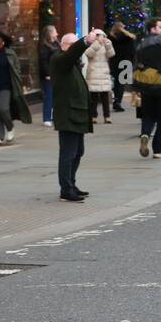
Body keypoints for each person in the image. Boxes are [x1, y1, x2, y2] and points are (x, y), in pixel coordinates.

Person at [50, 29, 105, 200]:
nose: (75, 48)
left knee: (78, 152)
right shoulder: (60, 59)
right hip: (68, 115)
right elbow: (71, 55)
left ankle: (71, 184)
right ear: (64, 45)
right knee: (68, 153)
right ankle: (66, 189)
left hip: (77, 114)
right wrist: (84, 42)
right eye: (72, 44)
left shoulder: (71, 62)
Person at [134, 18, 161, 158]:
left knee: (148, 115)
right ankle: (158, 150)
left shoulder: (141, 44)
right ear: (153, 29)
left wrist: (134, 87)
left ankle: (145, 133)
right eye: (160, 26)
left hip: (146, 84)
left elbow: (135, 64)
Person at [0, 32, 31, 143]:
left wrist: (17, 83)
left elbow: (17, 69)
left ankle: (10, 127)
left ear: (3, 43)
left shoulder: (10, 53)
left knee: (3, 109)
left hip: (6, 85)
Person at [85, 30, 116, 123]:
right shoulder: (91, 44)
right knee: (93, 97)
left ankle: (107, 117)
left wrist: (108, 45)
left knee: (105, 97)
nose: (101, 38)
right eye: (99, 36)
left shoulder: (106, 44)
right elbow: (88, 54)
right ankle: (93, 116)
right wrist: (97, 43)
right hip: (93, 72)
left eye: (102, 36)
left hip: (104, 72)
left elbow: (111, 54)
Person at [109, 21, 136, 113]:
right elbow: (132, 40)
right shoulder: (127, 37)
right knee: (121, 83)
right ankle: (118, 101)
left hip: (114, 62)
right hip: (125, 62)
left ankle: (116, 99)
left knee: (116, 82)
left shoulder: (111, 37)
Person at [38, 25, 58, 126]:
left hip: (57, 74)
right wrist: (47, 74)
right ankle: (47, 118)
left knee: (56, 96)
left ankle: (55, 116)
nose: (57, 34)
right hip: (49, 75)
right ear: (50, 34)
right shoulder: (44, 46)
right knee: (49, 96)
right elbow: (43, 62)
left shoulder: (56, 44)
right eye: (55, 32)